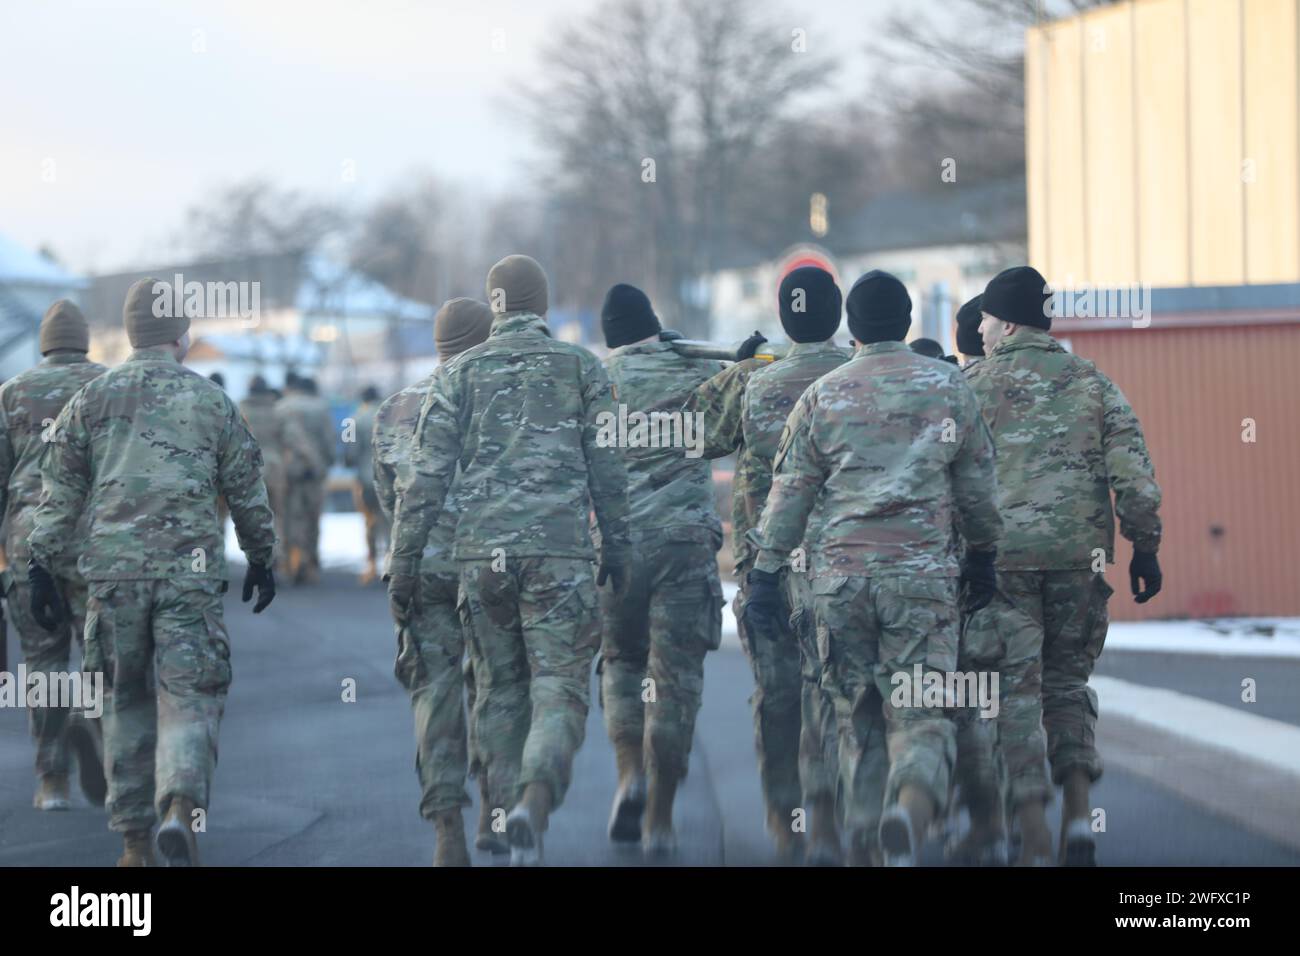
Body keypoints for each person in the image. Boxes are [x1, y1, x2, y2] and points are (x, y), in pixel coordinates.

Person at [745, 270, 1002, 866]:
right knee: (920, 713)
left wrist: (764, 573)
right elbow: (978, 490)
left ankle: (864, 839)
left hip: (840, 582)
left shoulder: (823, 396)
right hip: (921, 581)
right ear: (908, 322)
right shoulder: (947, 387)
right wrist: (984, 557)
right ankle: (907, 816)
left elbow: (790, 495)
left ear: (852, 328)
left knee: (855, 719)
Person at [388, 255, 631, 865]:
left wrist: (405, 561)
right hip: (559, 554)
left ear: (492, 303)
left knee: (497, 690)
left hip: (482, 559)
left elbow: (425, 481)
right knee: (558, 688)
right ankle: (534, 798)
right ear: (543, 304)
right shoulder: (582, 367)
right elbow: (608, 469)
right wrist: (619, 548)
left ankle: (496, 822)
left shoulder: (460, 373)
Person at [28, 277, 277, 867]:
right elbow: (246, 486)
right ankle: (180, 807)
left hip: (112, 579)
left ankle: (134, 844)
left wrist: (40, 563)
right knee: (190, 697)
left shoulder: (90, 400)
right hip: (187, 577)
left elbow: (58, 492)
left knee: (123, 702)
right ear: (180, 334)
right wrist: (261, 554)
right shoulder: (211, 400)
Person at [967, 266, 1162, 865]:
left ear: (1004, 320)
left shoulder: (971, 386)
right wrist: (1145, 546)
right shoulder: (1092, 382)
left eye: (984, 317)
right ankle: (1079, 820)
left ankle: (1032, 841)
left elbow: (947, 476)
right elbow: (1134, 475)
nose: (977, 327)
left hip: (1001, 569)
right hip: (1079, 562)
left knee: (1015, 697)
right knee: (1068, 686)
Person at [595, 283, 725, 855]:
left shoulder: (593, 383)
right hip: (685, 546)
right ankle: (662, 821)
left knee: (622, 664)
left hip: (616, 551)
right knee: (675, 682)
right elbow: (729, 428)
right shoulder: (691, 373)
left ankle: (630, 775)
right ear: (656, 323)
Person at [374, 297, 494, 865]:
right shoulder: (498, 396)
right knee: (495, 682)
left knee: (434, 693)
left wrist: (403, 558)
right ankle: (496, 807)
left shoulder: (395, 408)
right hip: (488, 566)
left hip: (423, 568)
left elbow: (387, 497)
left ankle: (448, 829)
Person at [0, 300, 107, 811]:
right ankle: (97, 733)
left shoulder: (12, 393)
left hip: (28, 540)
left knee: (42, 661)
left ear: (43, 343)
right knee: (99, 653)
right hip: (97, 540)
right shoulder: (109, 387)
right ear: (85, 341)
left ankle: (52, 780)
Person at [279, 373, 334, 584]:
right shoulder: (321, 407)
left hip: (289, 469)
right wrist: (327, 462)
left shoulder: (282, 407)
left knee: (291, 515)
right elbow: (329, 439)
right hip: (315, 469)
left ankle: (291, 560)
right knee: (313, 515)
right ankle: (310, 562)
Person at [239, 375, 289, 575]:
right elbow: (292, 440)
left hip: (248, 470)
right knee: (277, 516)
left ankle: (257, 559)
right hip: (276, 469)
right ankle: (277, 557)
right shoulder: (279, 411)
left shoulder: (239, 412)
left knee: (251, 518)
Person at [348, 385, 384, 585]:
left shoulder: (353, 420)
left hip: (366, 479)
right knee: (389, 523)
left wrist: (349, 461)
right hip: (392, 478)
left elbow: (350, 452)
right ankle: (391, 564)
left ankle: (371, 566)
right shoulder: (393, 415)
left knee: (370, 522)